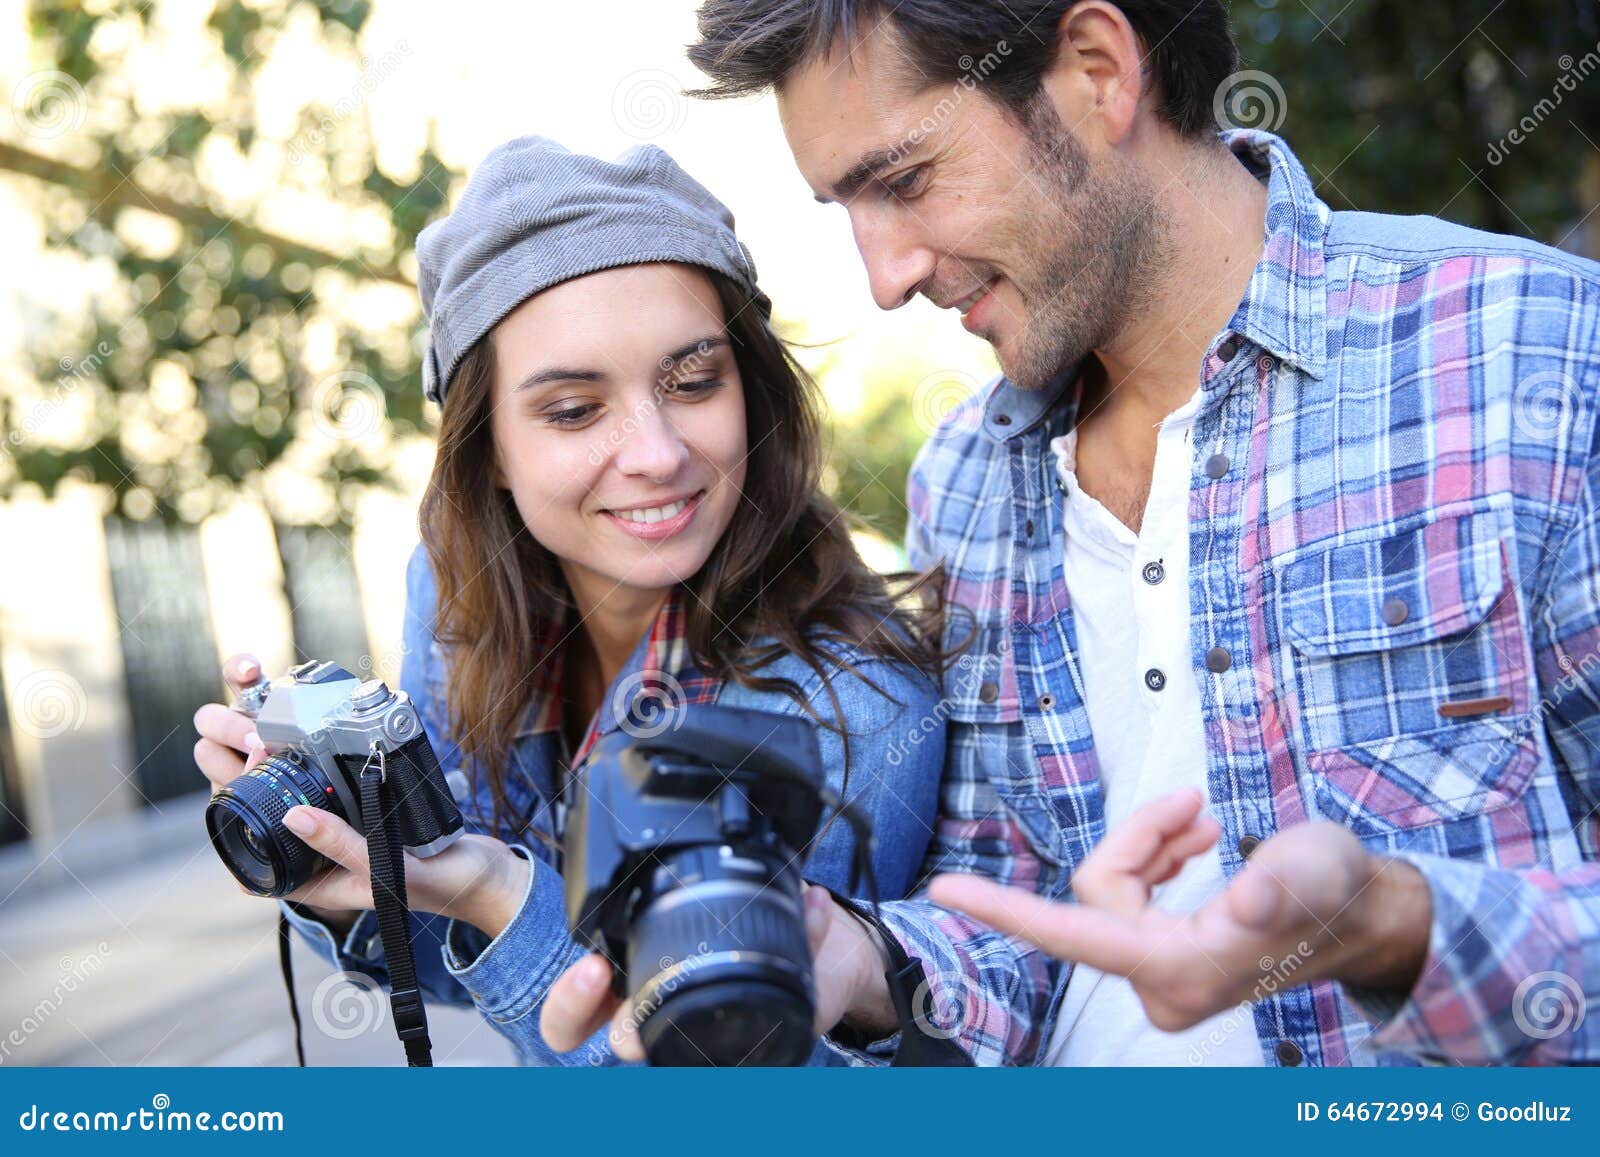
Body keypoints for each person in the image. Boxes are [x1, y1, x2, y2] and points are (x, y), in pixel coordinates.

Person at [608, 0, 1600, 1066]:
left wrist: (1397, 927)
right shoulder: (965, 477)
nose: (883, 276)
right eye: (844, 207)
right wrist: (854, 956)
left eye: (900, 181)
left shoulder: (1533, 355)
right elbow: (1017, 919)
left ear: (1097, 71)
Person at [192, 135, 953, 1066]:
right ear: (489, 454)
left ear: (749, 390)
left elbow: (719, 1081)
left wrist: (499, 893)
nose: (658, 452)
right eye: (573, 409)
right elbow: (453, 951)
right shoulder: (455, 591)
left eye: (694, 381)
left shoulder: (853, 706)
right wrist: (332, 856)